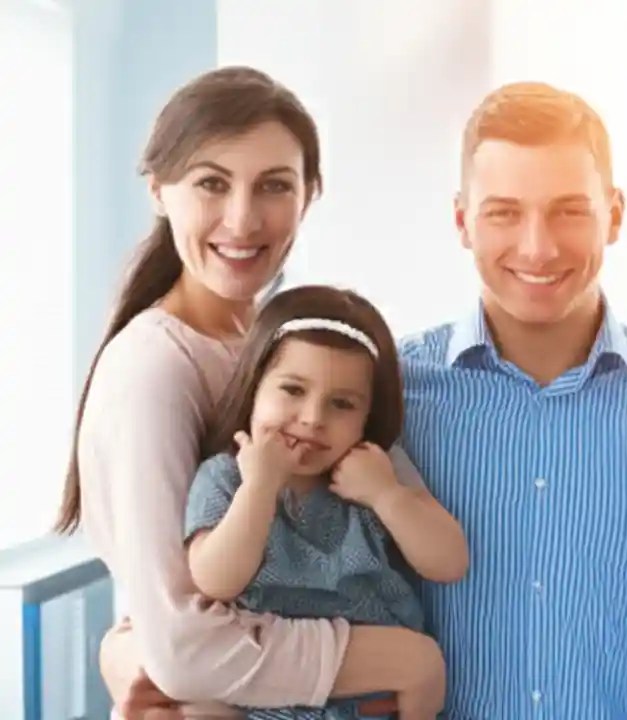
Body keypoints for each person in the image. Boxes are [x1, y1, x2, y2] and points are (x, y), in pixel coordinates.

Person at [61, 66, 448, 718]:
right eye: (211, 183)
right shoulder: (155, 368)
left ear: (310, 194)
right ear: (158, 190)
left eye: (274, 186)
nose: (242, 219)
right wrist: (404, 661)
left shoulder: (271, 351)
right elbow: (183, 646)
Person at [369, 80, 627, 718]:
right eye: (504, 213)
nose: (538, 247)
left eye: (568, 211)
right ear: (462, 221)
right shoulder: (385, 395)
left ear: (614, 214)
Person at [184, 284, 469, 719]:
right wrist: (258, 489)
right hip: (265, 694)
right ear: (254, 386)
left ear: (368, 416)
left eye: (342, 404)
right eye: (293, 390)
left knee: (428, 670)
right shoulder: (228, 475)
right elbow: (215, 579)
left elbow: (450, 562)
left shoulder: (376, 470)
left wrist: (386, 494)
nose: (314, 418)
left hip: (370, 693)